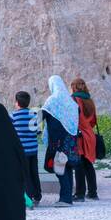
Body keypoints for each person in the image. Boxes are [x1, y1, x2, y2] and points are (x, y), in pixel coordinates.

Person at [42, 74, 80, 207]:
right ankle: (67, 197)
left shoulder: (52, 100)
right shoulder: (71, 102)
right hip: (71, 141)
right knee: (67, 167)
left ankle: (65, 199)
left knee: (60, 168)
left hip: (57, 142)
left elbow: (42, 115)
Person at [11, 90, 42, 207]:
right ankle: (37, 195)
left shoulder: (13, 116)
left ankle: (28, 197)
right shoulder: (34, 115)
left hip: (22, 151)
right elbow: (38, 132)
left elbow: (11, 133)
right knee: (34, 172)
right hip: (33, 150)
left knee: (25, 174)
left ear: (17, 102)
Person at [71, 77, 99, 202]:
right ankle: (93, 193)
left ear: (73, 87)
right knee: (88, 164)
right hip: (89, 135)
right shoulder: (90, 100)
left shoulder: (74, 99)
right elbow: (93, 121)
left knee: (79, 165)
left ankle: (79, 194)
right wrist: (87, 127)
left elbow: (73, 117)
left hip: (80, 136)